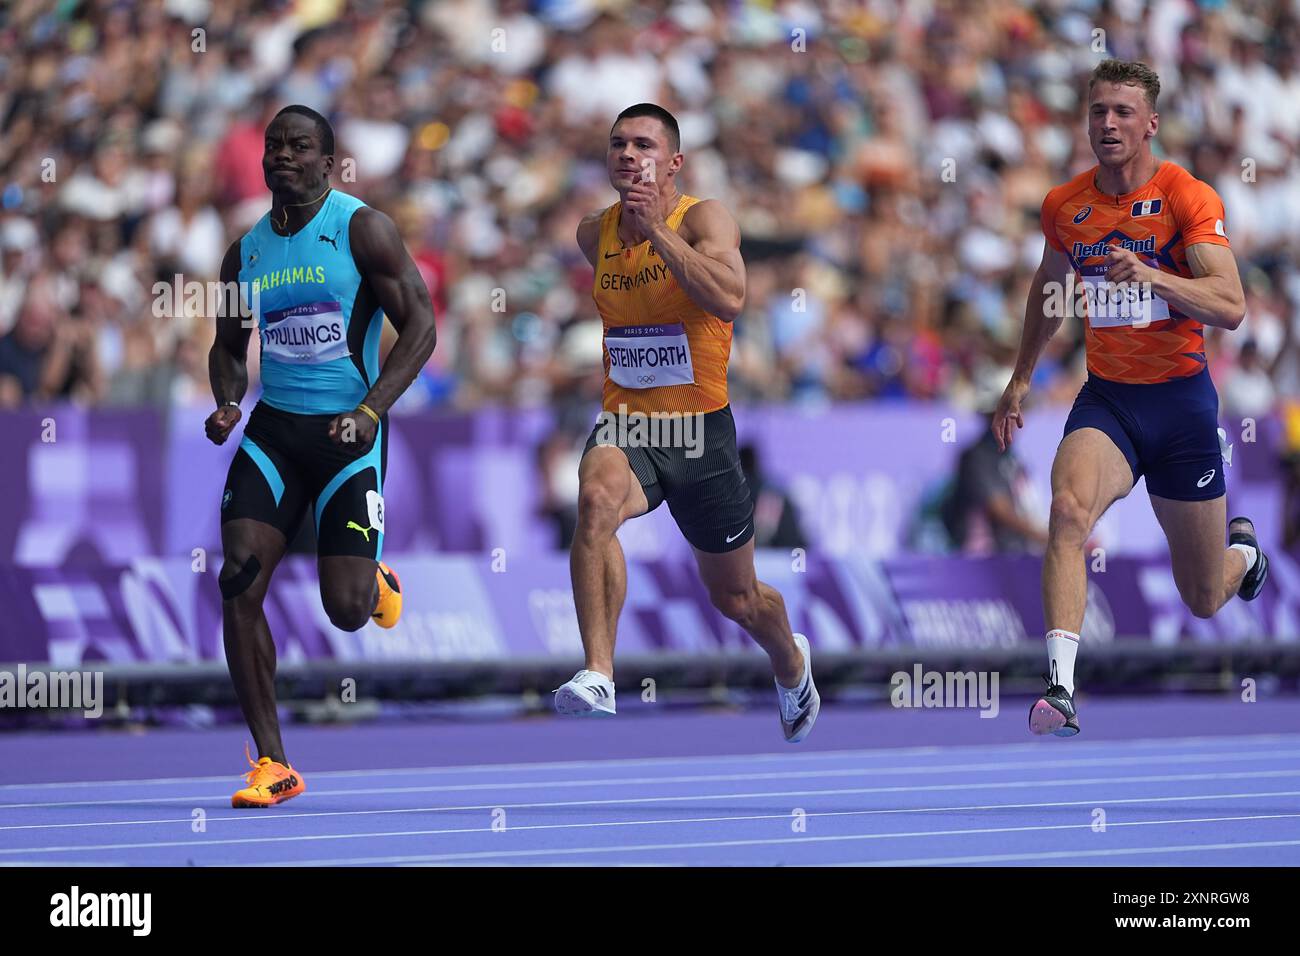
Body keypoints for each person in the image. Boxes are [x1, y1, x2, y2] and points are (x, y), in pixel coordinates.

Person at [994, 60, 1267, 739]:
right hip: (1110, 403)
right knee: (1065, 510)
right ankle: (1060, 686)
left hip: (1181, 409)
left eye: (1121, 112)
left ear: (1150, 123)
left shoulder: (1186, 196)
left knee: (1203, 597)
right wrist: (1021, 376)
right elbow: (1047, 287)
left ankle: (1247, 555)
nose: (1107, 124)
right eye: (1097, 112)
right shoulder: (1066, 205)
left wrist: (1152, 274)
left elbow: (1231, 306)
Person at [555, 103, 819, 743]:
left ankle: (791, 663)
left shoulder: (703, 218)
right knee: (594, 502)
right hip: (630, 423)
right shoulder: (594, 233)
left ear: (673, 162)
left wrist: (660, 236)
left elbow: (730, 298)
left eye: (643, 143)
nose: (627, 153)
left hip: (700, 432)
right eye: (617, 142)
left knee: (737, 600)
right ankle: (598, 673)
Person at [205, 105, 436, 806]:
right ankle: (273, 762)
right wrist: (227, 401)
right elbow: (227, 345)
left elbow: (421, 326)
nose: (282, 155)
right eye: (274, 145)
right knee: (239, 585)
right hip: (273, 433)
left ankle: (375, 584)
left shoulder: (360, 228)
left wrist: (371, 412)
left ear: (328, 162)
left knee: (345, 608)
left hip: (348, 436)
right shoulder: (245, 250)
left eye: (299, 146)